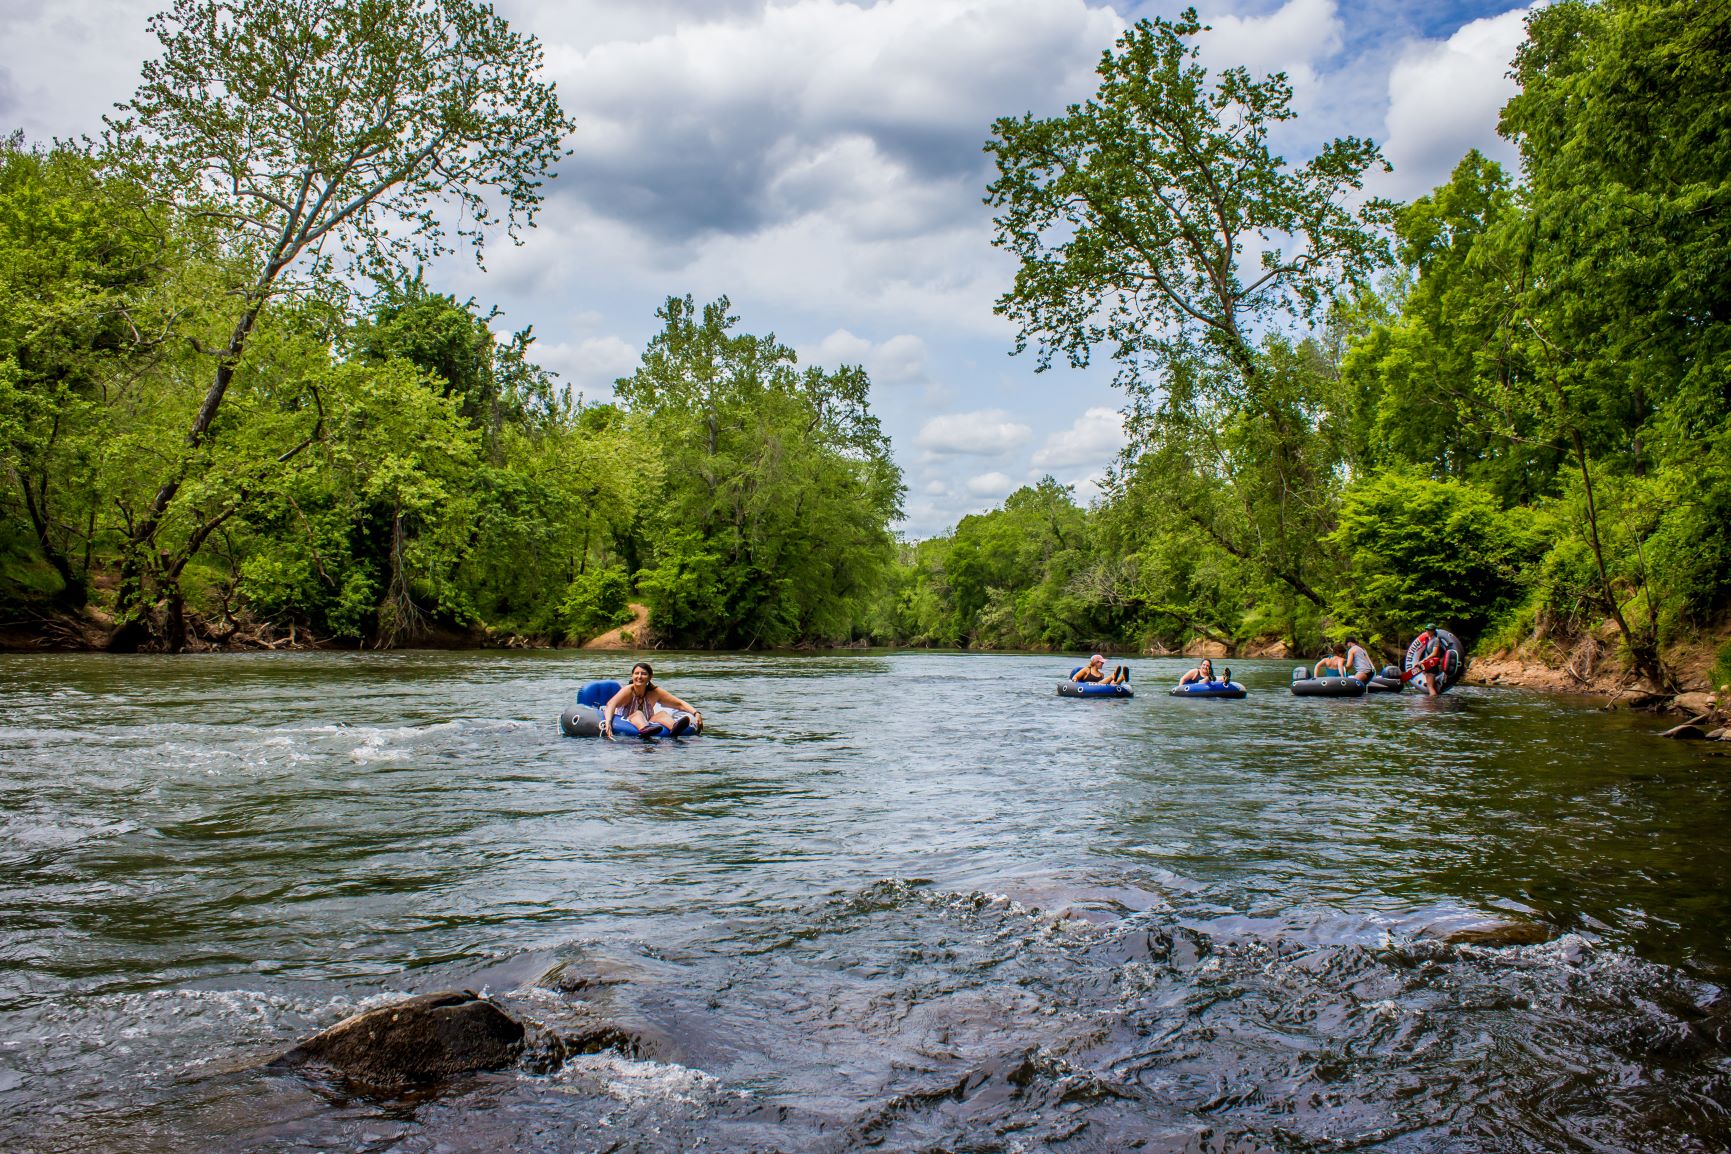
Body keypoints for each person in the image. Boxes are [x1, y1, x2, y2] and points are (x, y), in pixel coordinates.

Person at [601, 661, 703, 738]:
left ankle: (674, 727)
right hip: (626, 720)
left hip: (649, 722)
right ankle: (644, 729)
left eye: (643, 674)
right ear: (632, 676)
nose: (639, 676)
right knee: (638, 713)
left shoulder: (654, 692)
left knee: (662, 714)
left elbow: (679, 704)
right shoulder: (628, 690)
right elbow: (611, 704)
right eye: (636, 673)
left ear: (650, 677)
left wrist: (696, 713)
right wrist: (608, 722)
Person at [1407, 625, 1447, 696]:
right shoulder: (1428, 640)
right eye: (1427, 630)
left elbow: (1434, 653)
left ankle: (1432, 700)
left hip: (1432, 665)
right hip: (1428, 666)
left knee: (1430, 686)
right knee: (1430, 685)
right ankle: (1433, 700)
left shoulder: (1436, 640)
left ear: (1433, 631)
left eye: (1430, 630)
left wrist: (1424, 660)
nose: (1428, 631)